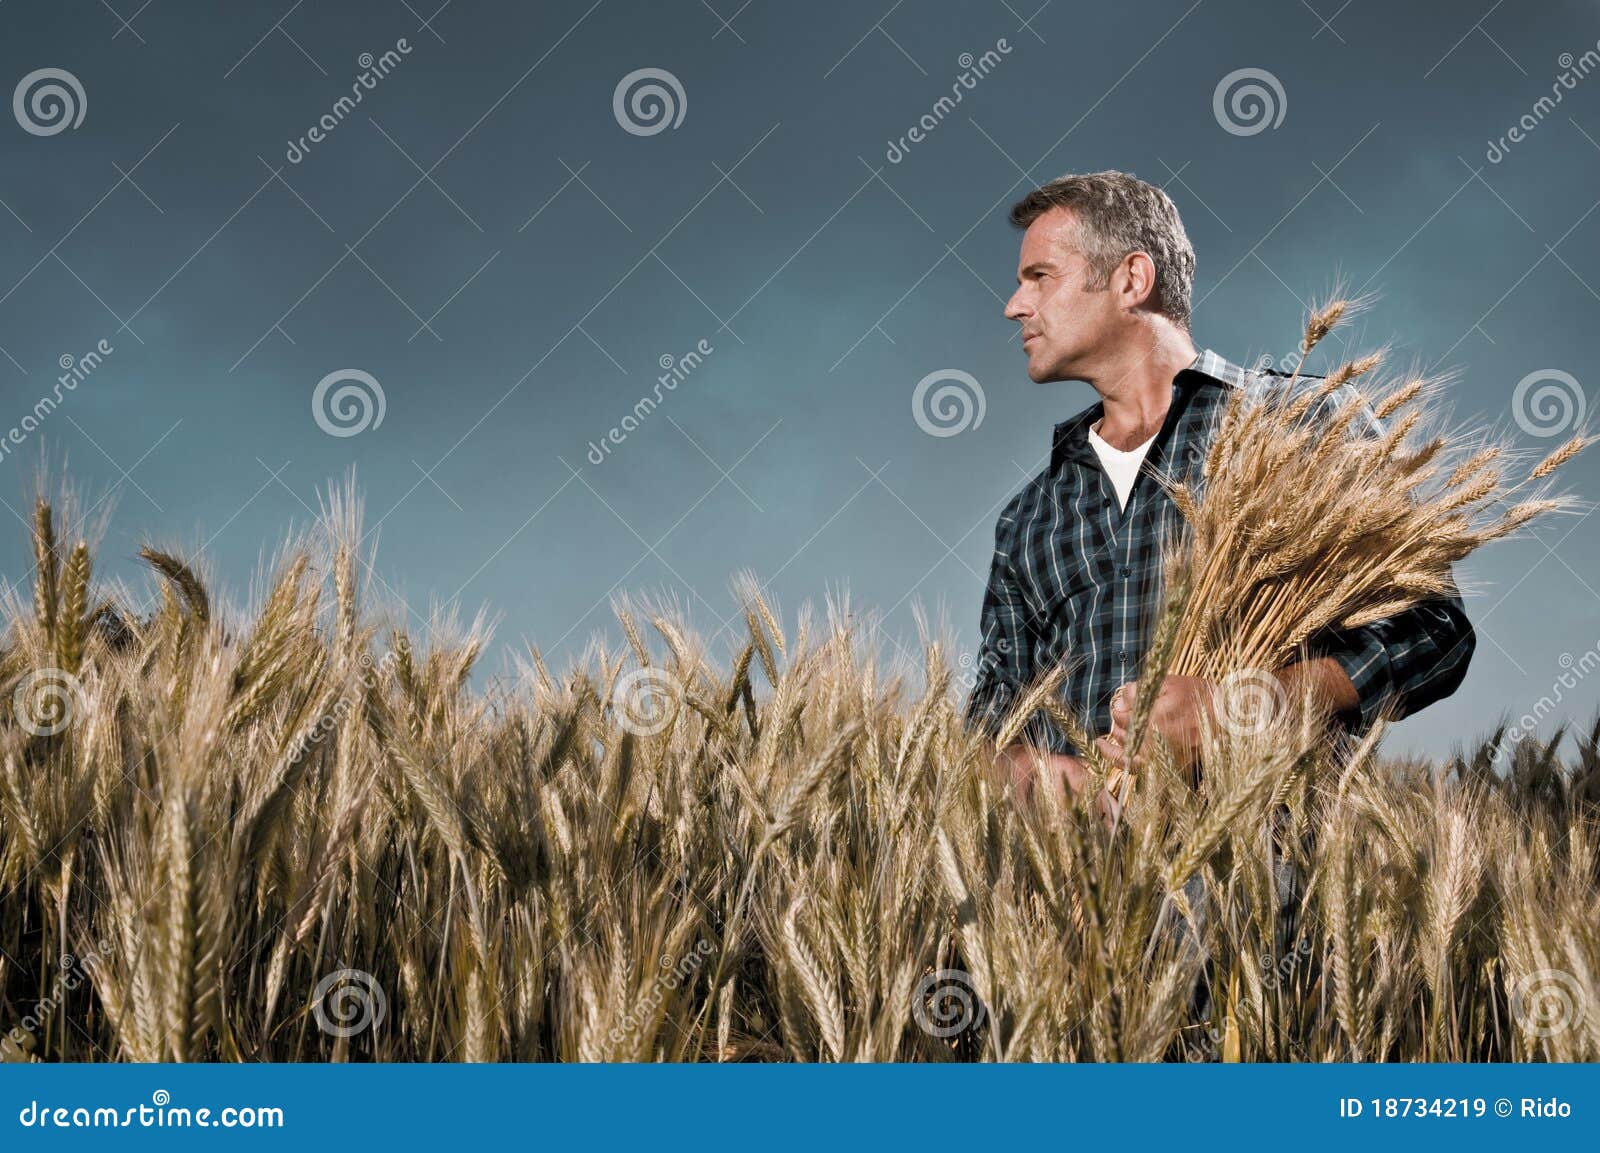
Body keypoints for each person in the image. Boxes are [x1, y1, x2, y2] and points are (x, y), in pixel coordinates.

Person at [965, 170, 1475, 804]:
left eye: (1039, 276)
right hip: (1078, 894)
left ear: (1131, 279)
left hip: (1261, 882)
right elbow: (988, 721)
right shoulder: (1031, 515)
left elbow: (1432, 633)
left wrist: (1248, 708)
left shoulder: (1298, 422)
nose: (1014, 304)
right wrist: (1041, 782)